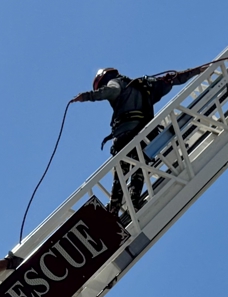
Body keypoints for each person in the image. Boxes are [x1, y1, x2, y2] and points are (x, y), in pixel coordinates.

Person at [71, 65, 207, 213]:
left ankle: (114, 208)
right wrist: (196, 71)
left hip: (124, 135)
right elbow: (171, 80)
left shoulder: (116, 83)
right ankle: (133, 201)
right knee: (139, 167)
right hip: (144, 135)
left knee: (121, 175)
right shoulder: (145, 87)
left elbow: (112, 91)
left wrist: (87, 96)